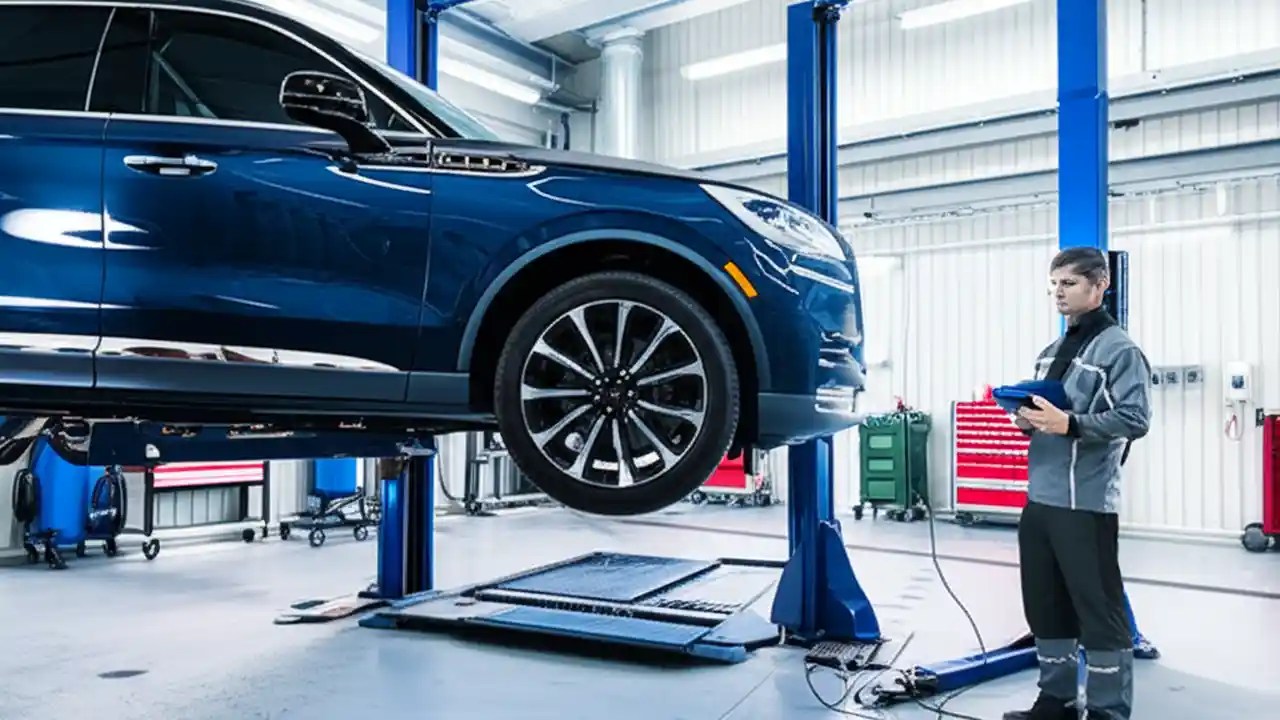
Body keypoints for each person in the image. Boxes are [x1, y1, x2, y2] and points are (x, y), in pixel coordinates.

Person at [1003, 247, 1153, 720]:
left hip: (1084, 502)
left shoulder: (1120, 350)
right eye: (1054, 284)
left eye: (1068, 283)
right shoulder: (1052, 353)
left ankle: (1109, 710)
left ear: (1099, 284)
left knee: (1097, 609)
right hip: (1040, 499)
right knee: (1045, 605)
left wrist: (1069, 424)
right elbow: (1051, 411)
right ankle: (1057, 701)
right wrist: (1028, 419)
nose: (1058, 293)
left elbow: (1135, 417)